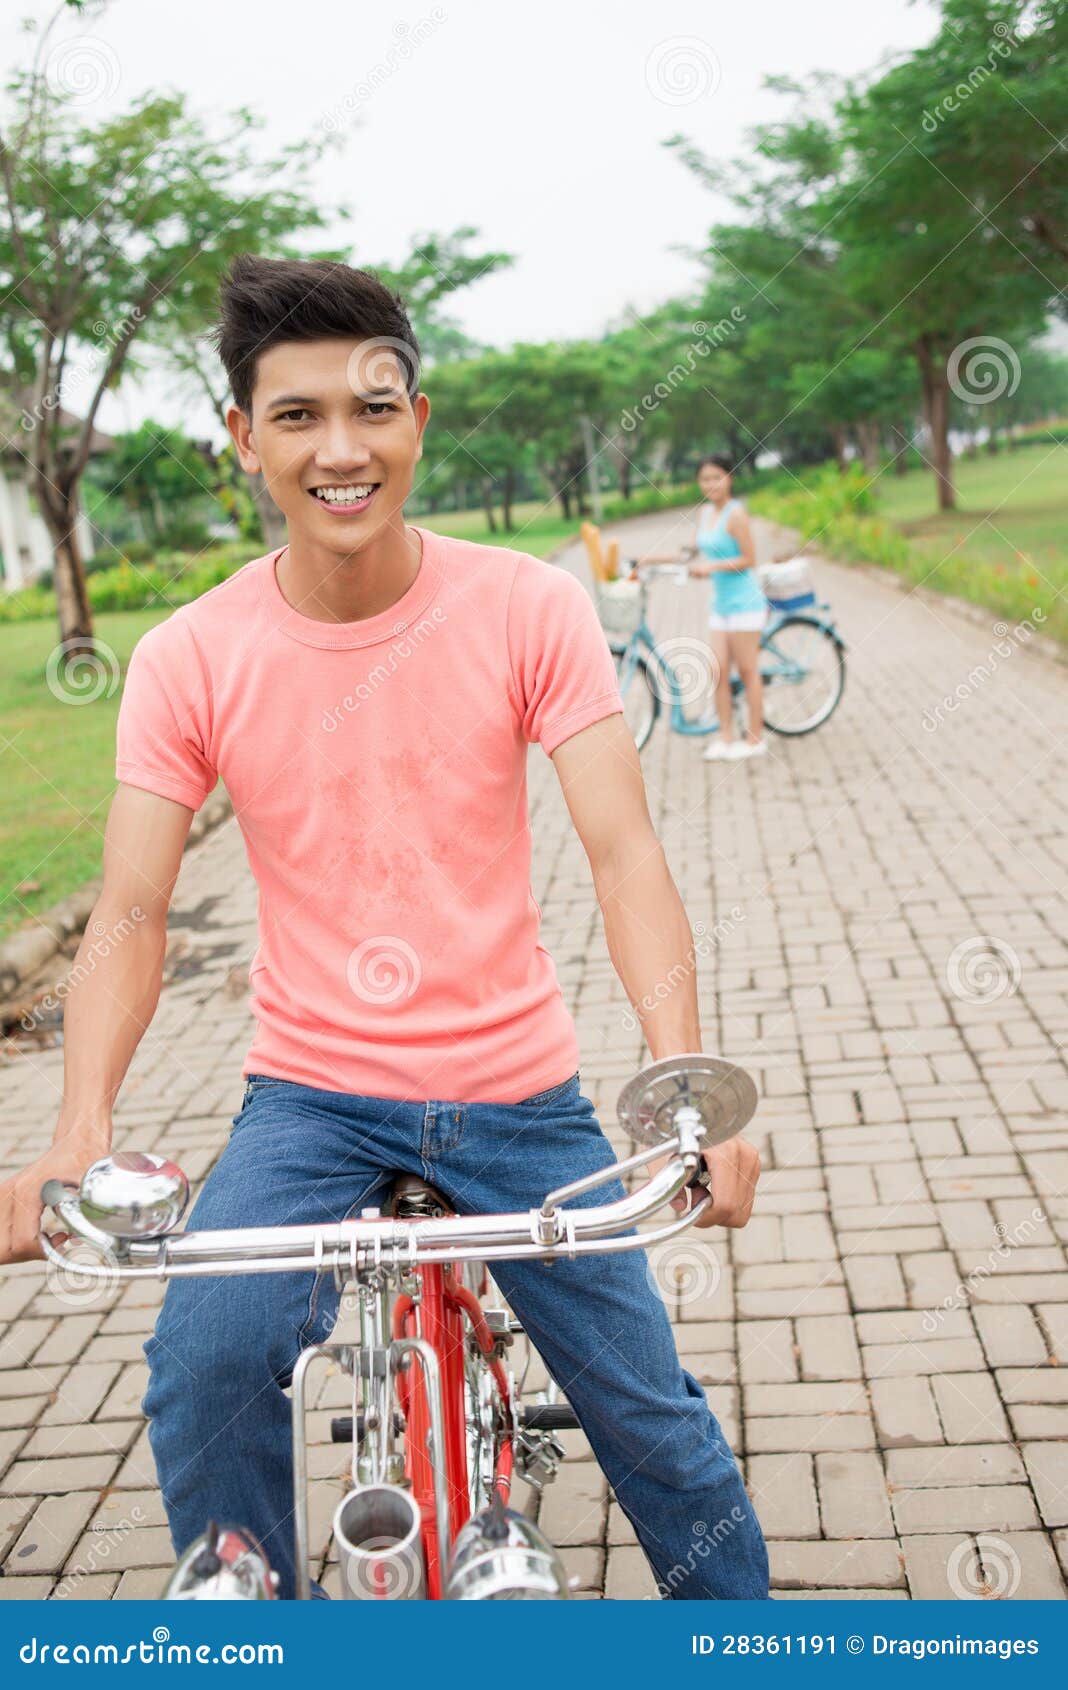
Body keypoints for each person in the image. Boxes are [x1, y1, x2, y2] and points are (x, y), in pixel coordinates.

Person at [0, 256, 768, 1603]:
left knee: (653, 1419)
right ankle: (251, 1619)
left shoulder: (525, 605)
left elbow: (624, 849)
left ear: (419, 418)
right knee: (207, 1365)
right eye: (295, 416)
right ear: (241, 440)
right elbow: (128, 910)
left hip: (518, 1094)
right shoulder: (191, 653)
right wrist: (76, 1137)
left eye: (373, 407)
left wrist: (682, 1098)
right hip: (310, 1101)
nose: (340, 449)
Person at [692, 455, 767, 761]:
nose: (711, 484)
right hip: (720, 604)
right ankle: (725, 736)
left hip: (745, 603)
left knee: (747, 670)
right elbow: (699, 551)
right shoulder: (706, 514)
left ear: (729, 478)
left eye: (716, 477)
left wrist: (712, 568)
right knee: (717, 670)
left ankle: (755, 738)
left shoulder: (736, 515)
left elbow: (750, 559)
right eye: (705, 479)